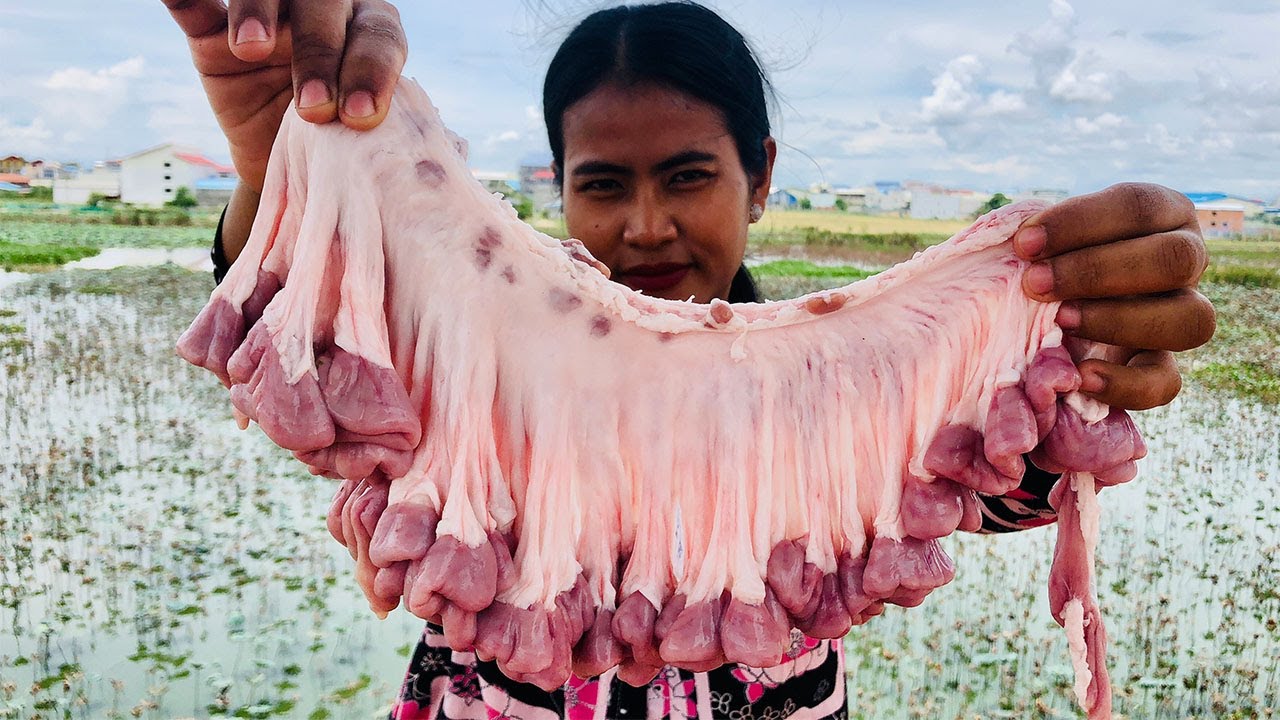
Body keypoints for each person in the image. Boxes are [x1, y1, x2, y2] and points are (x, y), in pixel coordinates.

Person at [164, 1, 1217, 717]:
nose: (648, 225)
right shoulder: (471, 378)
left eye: (685, 177)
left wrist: (1076, 333)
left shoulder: (849, 407)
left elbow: (992, 482)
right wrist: (284, 170)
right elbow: (326, 321)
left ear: (756, 176)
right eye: (604, 184)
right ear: (558, 185)